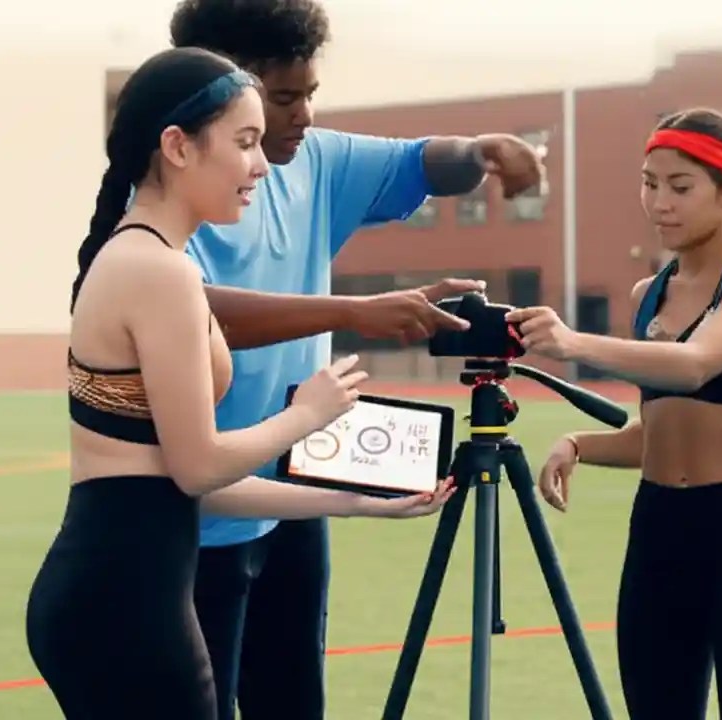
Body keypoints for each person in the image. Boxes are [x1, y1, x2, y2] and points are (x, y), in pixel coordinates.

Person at [23, 46, 454, 720]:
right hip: (124, 607)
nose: (261, 164)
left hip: (118, 594)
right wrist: (307, 415)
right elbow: (199, 467)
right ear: (178, 146)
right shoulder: (157, 272)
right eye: (245, 142)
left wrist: (358, 501)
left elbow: (172, 484)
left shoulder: (152, 262)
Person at [165, 2, 547, 718]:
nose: (305, 115)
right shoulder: (157, 196)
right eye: (284, 99)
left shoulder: (313, 160)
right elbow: (180, 311)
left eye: (310, 95)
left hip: (291, 501)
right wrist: (353, 313)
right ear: (221, 95)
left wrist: (485, 149)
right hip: (192, 522)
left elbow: (422, 161)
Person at [506, 108, 722, 720]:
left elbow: (695, 364)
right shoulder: (650, 295)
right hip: (660, 533)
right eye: (649, 183)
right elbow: (666, 432)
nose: (659, 203)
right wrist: (579, 444)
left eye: (680, 186)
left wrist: (574, 343)